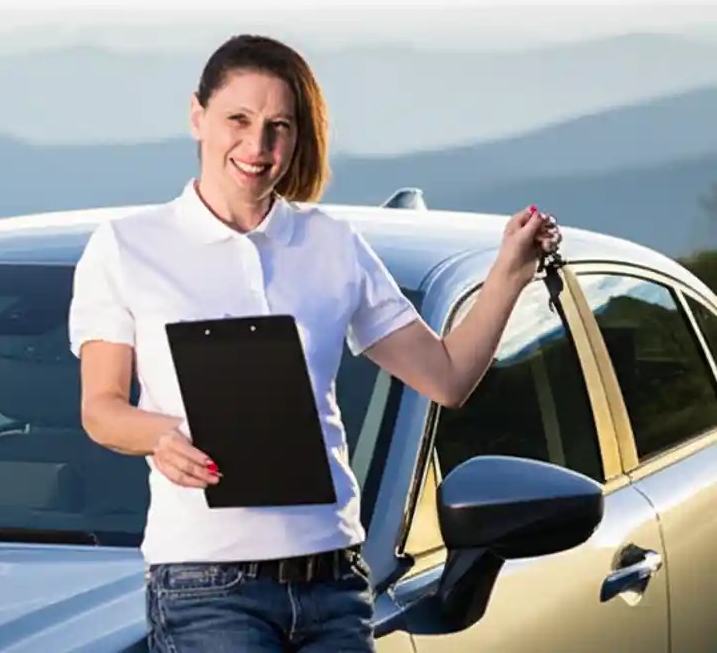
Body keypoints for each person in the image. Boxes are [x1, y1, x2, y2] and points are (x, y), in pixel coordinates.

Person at [67, 34, 561, 652]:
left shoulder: (332, 244)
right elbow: (101, 408)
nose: (258, 146)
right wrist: (158, 436)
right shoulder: (126, 247)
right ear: (198, 116)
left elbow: (448, 375)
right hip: (207, 585)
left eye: (279, 126)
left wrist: (510, 271)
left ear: (299, 137)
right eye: (238, 120)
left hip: (334, 581)